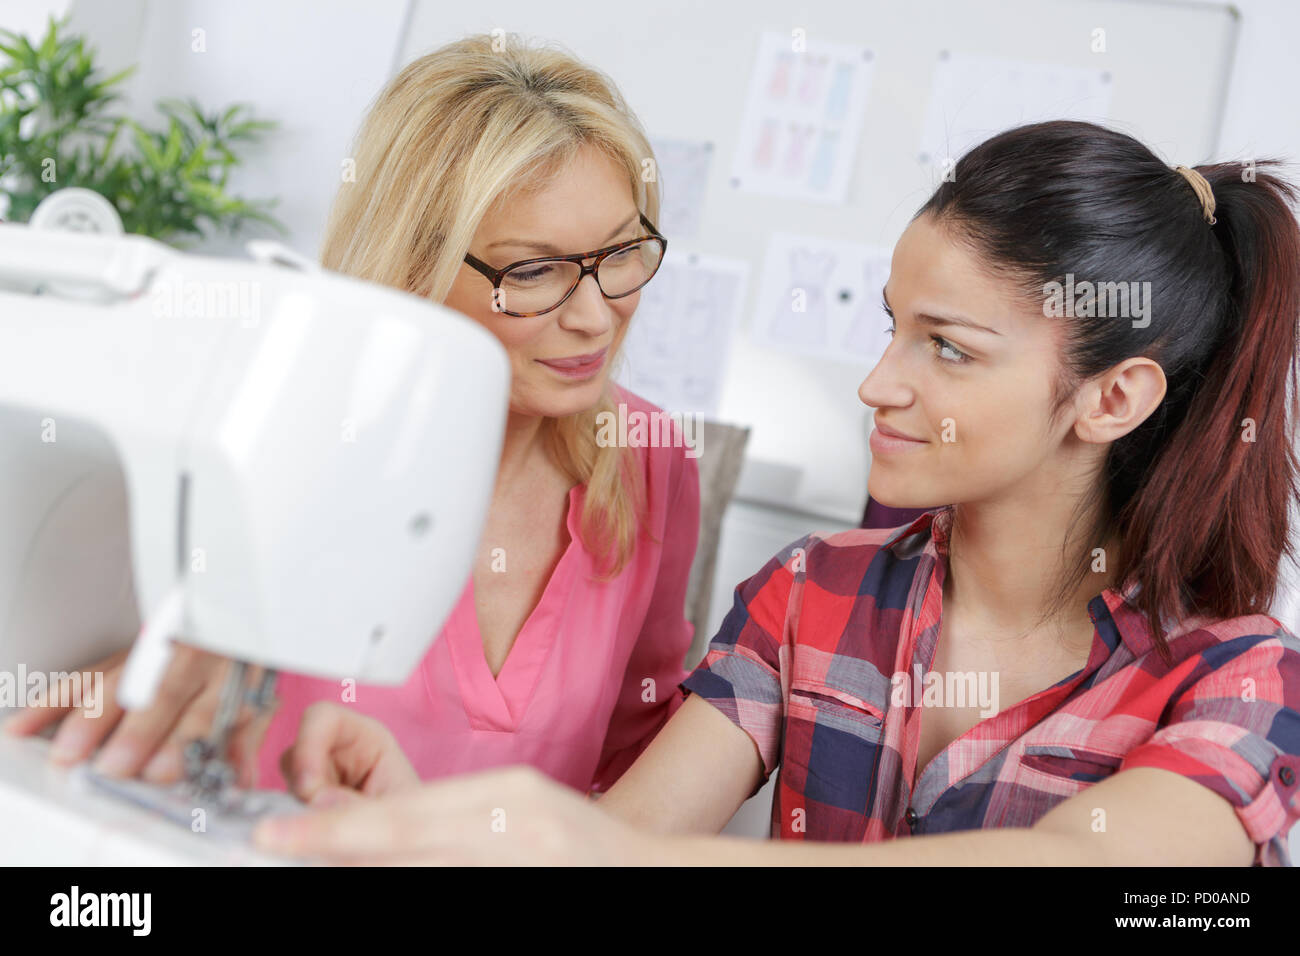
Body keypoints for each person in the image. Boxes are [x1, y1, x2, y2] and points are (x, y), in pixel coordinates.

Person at [252, 121, 1300, 866]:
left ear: (1112, 397)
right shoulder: (806, 596)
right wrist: (436, 829)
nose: (877, 382)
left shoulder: (1240, 678)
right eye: (892, 325)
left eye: (946, 346)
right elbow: (623, 837)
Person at [5, 34, 700, 799]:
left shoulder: (649, 454)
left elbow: (639, 754)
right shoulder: (281, 438)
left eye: (623, 252)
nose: (597, 319)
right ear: (415, 264)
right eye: (534, 271)